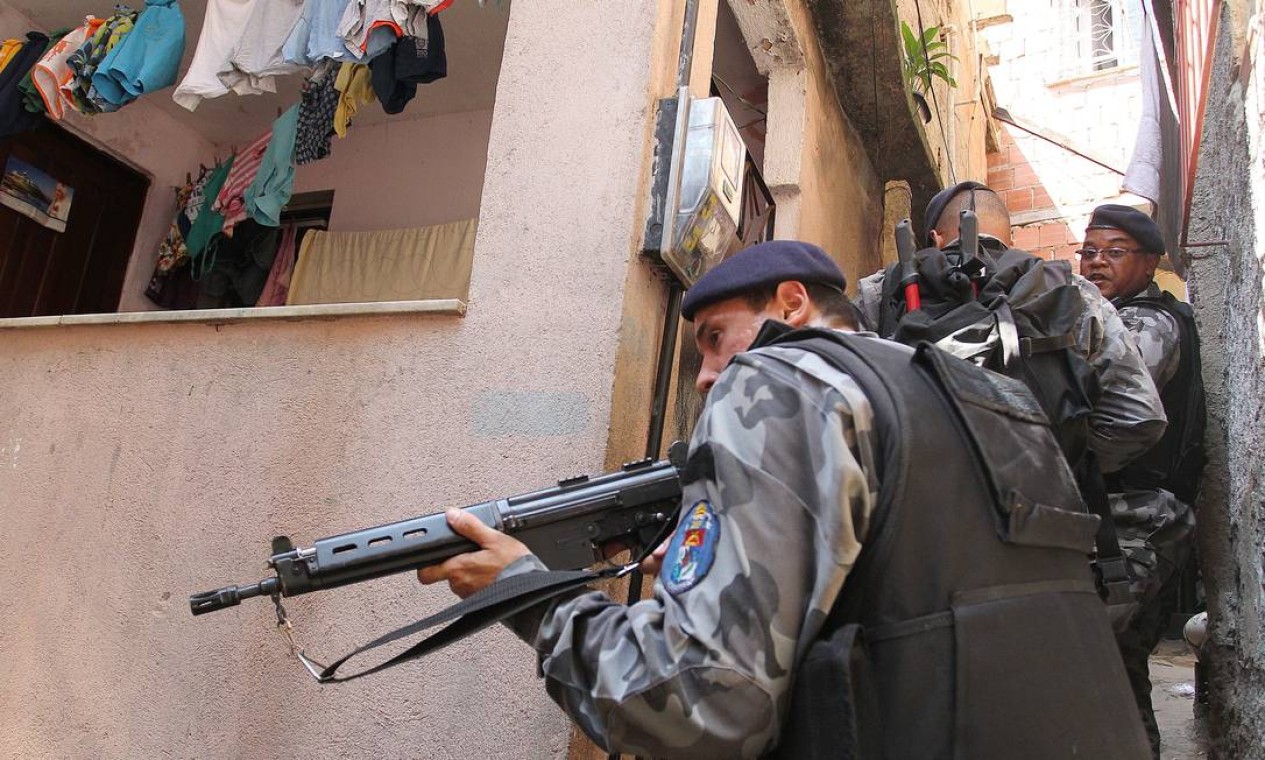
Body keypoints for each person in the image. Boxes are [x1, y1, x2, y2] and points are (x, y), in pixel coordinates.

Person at [419, 240, 1150, 758]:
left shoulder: (777, 377)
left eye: (714, 339)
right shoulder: (983, 394)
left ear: (791, 303)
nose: (707, 376)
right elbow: (916, 588)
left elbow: (701, 708)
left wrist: (526, 596)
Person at [855, 181, 1167, 475]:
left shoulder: (880, 292)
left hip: (915, 509)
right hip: (1037, 516)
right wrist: (1063, 467)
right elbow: (1138, 417)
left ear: (935, 239)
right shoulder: (1074, 292)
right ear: (1013, 242)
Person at [1080, 204, 1206, 758]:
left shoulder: (1146, 324)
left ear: (1151, 261)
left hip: (1141, 518)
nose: (1097, 263)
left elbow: (1105, 393)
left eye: (1114, 251)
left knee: (1081, 653)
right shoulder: (1111, 318)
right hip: (1126, 520)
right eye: (1089, 252)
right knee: (1120, 669)